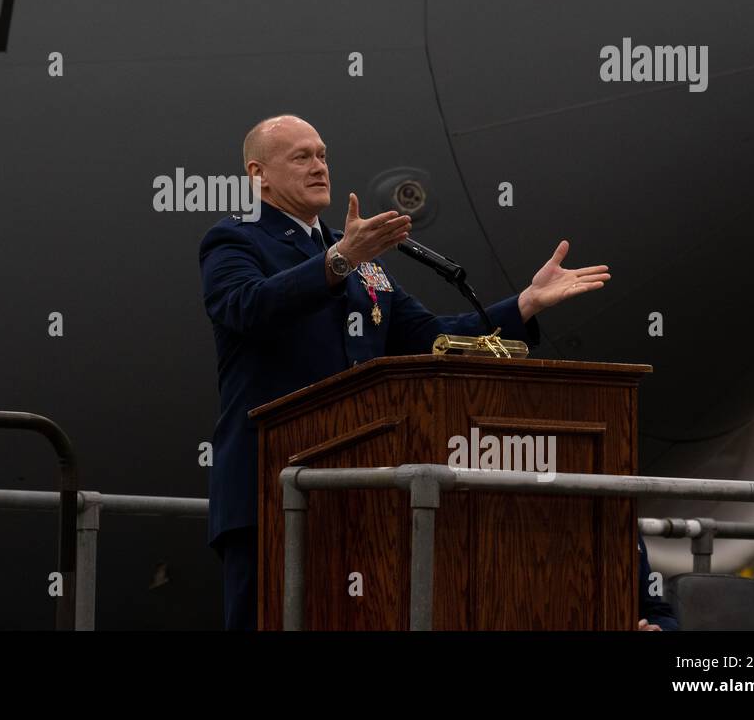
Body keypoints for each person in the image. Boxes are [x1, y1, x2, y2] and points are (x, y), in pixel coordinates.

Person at [200, 114, 612, 630]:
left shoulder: (358, 255)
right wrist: (339, 260)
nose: (319, 166)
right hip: (270, 486)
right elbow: (246, 308)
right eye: (301, 157)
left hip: (360, 492)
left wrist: (525, 304)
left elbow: (431, 337)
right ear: (257, 174)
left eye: (322, 154)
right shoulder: (236, 240)